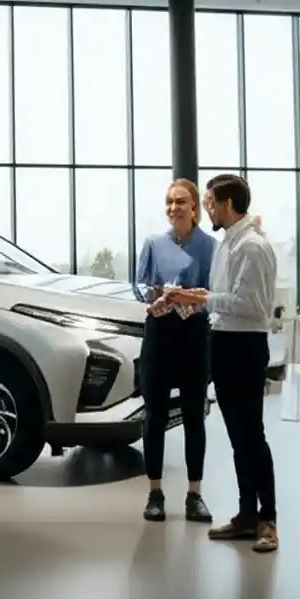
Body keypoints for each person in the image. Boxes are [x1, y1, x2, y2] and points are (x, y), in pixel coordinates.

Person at [166, 173, 280, 553]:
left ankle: (268, 521)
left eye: (211, 202)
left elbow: (253, 306)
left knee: (252, 436)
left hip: (246, 347)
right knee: (237, 438)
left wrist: (202, 300)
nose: (207, 208)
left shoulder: (252, 246)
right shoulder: (228, 244)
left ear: (227, 204)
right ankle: (247, 516)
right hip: (225, 343)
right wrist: (198, 296)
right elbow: (225, 295)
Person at [137, 179, 215, 524]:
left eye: (180, 201)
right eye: (169, 202)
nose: (173, 208)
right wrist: (154, 296)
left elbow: (216, 292)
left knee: (194, 416)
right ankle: (155, 493)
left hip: (195, 336)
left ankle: (194, 495)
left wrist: (192, 298)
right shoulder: (153, 243)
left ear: (195, 206)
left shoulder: (210, 246)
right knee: (153, 416)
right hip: (159, 334)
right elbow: (138, 285)